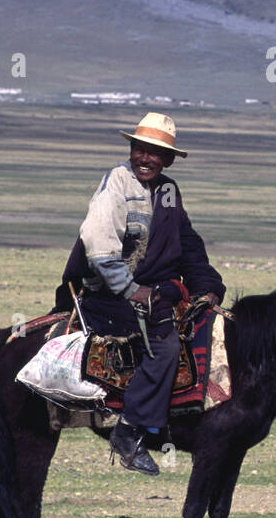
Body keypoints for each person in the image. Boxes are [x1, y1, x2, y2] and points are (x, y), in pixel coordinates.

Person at [56, 112, 225, 475]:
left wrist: (208, 287)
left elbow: (188, 244)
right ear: (131, 150)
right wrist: (132, 290)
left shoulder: (167, 191)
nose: (145, 158)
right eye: (140, 149)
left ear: (166, 159)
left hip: (155, 291)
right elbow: (98, 246)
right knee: (163, 346)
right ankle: (130, 431)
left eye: (155, 152)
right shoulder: (116, 183)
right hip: (110, 294)